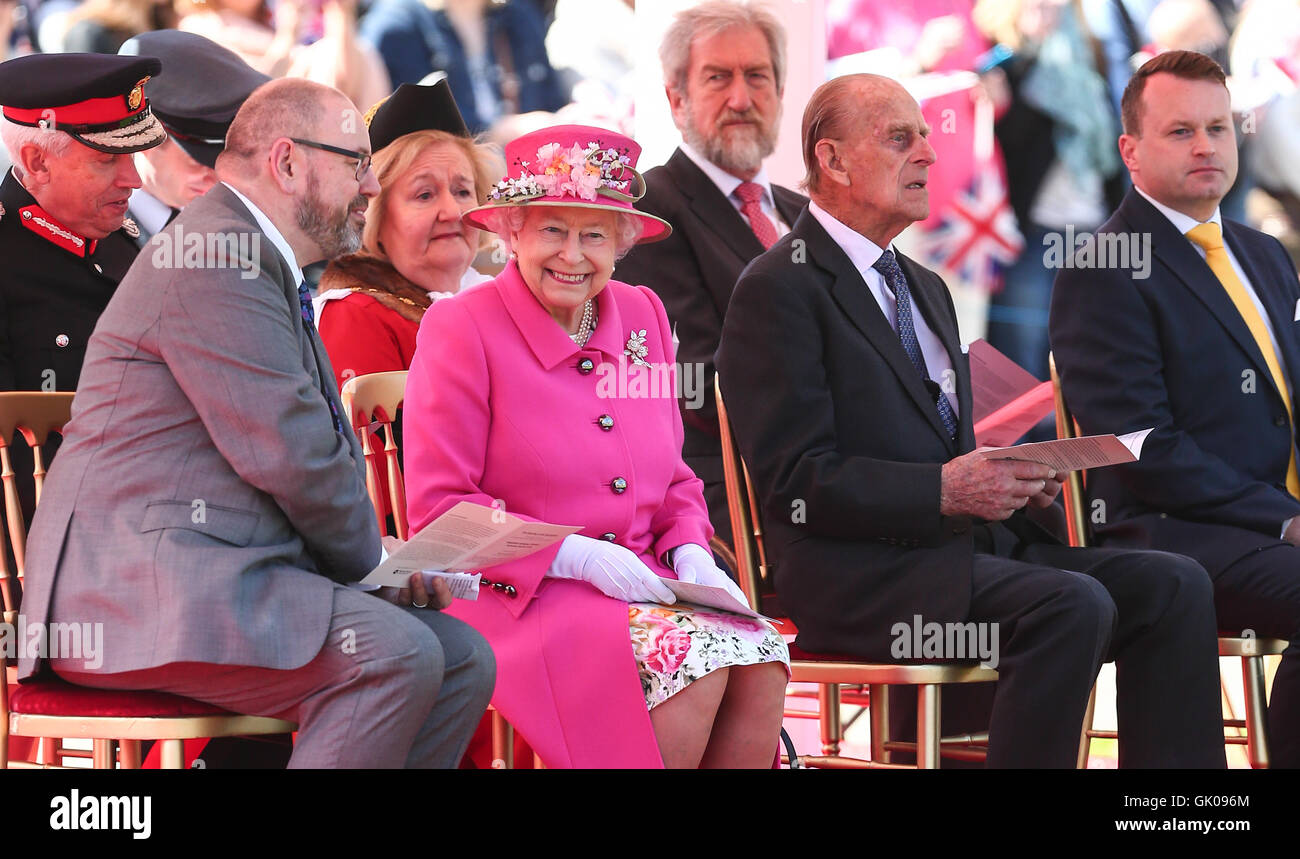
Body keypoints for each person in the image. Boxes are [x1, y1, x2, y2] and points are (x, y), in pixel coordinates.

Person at [716, 72, 1226, 767]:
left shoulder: (923, 285)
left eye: (926, 135)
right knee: (1070, 605)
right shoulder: (778, 287)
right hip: (859, 573)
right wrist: (945, 490)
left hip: (970, 549)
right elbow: (797, 481)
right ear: (832, 160)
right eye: (902, 139)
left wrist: (1015, 477)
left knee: (1177, 584)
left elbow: (943, 441)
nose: (929, 153)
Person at [15, 77, 495, 768]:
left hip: (210, 574)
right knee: (397, 652)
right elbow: (290, 451)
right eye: (356, 163)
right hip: (132, 594)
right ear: (288, 161)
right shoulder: (218, 253)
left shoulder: (253, 252)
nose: (368, 186)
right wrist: (374, 564)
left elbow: (301, 448)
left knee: (462, 657)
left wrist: (379, 560)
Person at [403, 124, 790, 768]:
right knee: (693, 660)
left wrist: (692, 548)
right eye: (552, 229)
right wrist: (569, 554)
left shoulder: (642, 314)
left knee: (759, 654)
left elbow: (672, 481)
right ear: (513, 232)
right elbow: (442, 516)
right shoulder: (461, 327)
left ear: (622, 242)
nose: (573, 255)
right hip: (520, 601)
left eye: (594, 234)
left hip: (648, 584)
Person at [1050, 49, 1300, 767]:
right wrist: (1283, 519)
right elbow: (1142, 445)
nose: (1206, 147)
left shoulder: (1264, 254)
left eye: (1218, 129)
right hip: (1174, 532)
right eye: (1181, 131)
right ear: (1130, 150)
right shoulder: (1105, 266)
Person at [617, 1, 806, 547]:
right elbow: (698, 384)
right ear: (677, 99)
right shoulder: (650, 208)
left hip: (848, 475)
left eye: (757, 77)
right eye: (718, 78)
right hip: (741, 497)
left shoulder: (807, 214)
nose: (741, 99)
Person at [316, 79, 495, 393]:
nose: (452, 212)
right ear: (377, 218)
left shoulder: (497, 298)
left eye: (463, 191)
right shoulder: (356, 317)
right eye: (425, 195)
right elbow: (376, 441)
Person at [119, 29, 271, 245]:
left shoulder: (242, 225)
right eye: (200, 159)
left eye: (232, 158)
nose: (218, 174)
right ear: (142, 134)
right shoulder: (90, 233)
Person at [359, 0, 565, 134]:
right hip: (450, 185)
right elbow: (412, 126)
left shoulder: (518, 15)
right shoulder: (397, 23)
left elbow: (551, 99)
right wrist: (500, 131)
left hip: (525, 178)